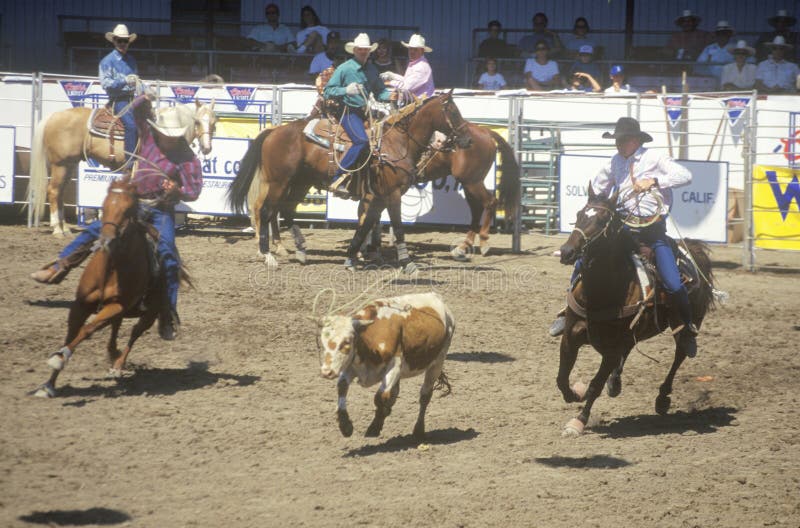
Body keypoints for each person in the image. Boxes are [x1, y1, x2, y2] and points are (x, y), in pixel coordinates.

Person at [31, 95, 203, 341]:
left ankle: (168, 313)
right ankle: (60, 265)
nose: (168, 137)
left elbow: (194, 190)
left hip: (159, 210)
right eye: (166, 133)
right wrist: (142, 98)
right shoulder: (148, 135)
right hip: (133, 203)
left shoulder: (187, 158)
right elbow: (134, 112)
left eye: (172, 134)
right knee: (98, 229)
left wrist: (177, 192)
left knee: (168, 256)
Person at [549, 117, 698, 357]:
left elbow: (685, 176)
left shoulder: (655, 159)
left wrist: (654, 181)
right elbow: (599, 189)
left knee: (672, 281)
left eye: (623, 140)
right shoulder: (614, 163)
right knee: (585, 258)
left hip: (652, 230)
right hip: (623, 228)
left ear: (636, 140)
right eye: (617, 140)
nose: (618, 144)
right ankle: (569, 312)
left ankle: (687, 328)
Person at [323, 33, 393, 196]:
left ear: (369, 51)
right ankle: (337, 179)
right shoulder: (345, 68)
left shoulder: (371, 69)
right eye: (360, 49)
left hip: (364, 112)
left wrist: (392, 96)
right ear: (354, 50)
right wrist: (345, 90)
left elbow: (380, 92)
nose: (363, 52)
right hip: (347, 111)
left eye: (366, 50)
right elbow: (328, 91)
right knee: (361, 141)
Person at [99, 24, 139, 166]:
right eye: (119, 40)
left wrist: (145, 90)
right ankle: (129, 161)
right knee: (131, 126)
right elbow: (105, 83)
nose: (122, 44)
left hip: (132, 98)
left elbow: (137, 81)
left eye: (125, 41)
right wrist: (123, 80)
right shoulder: (107, 61)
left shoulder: (132, 60)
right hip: (118, 100)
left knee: (150, 120)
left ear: (128, 42)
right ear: (114, 41)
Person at [380, 33, 435, 98]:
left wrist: (390, 82)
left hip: (422, 105)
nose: (412, 51)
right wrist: (392, 75)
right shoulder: (417, 64)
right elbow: (407, 81)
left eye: (415, 49)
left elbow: (406, 88)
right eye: (410, 49)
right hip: (418, 103)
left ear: (422, 51)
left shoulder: (421, 67)